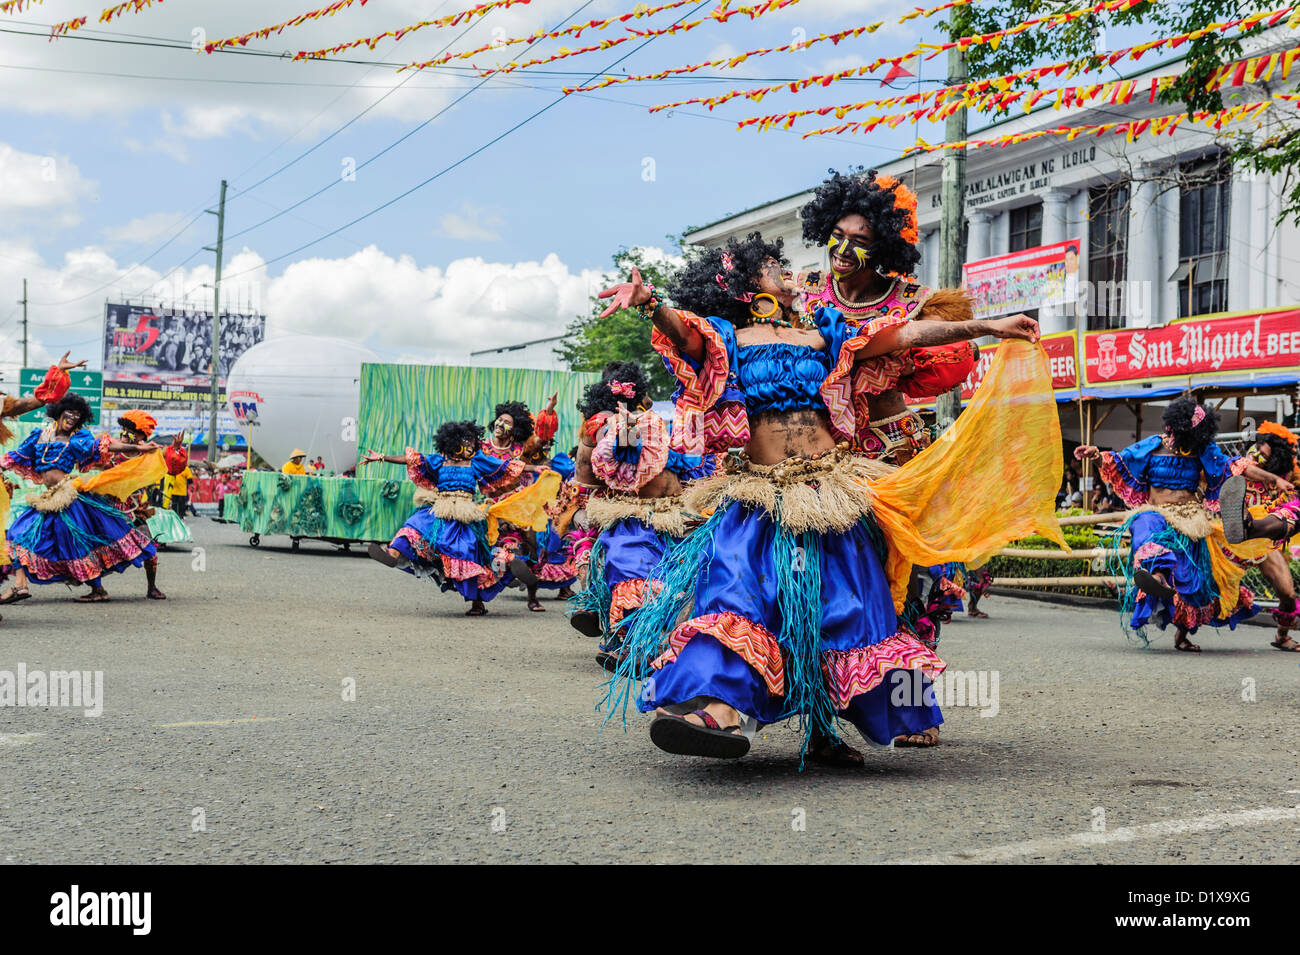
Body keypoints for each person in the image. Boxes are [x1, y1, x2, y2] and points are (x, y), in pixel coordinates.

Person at [596, 230, 1060, 764]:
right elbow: (685, 334)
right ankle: (720, 711)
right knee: (738, 595)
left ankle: (823, 731)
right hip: (760, 496)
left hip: (828, 491)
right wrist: (652, 303)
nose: (787, 272)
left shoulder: (827, 334)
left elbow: (904, 334)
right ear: (746, 282)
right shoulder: (728, 337)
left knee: (843, 612)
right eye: (773, 265)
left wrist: (990, 325)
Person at [1076, 398, 1289, 651]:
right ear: (1174, 429)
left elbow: (1235, 467)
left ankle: (1182, 633)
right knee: (1146, 527)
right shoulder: (1153, 446)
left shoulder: (1201, 449)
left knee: (1192, 583)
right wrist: (1096, 455)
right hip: (1156, 512)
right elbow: (1121, 461)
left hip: (1191, 520)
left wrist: (1274, 480)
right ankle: (1155, 576)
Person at [564, 364, 700, 672]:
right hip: (629, 518)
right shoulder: (607, 426)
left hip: (670, 518)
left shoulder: (677, 421)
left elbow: (695, 467)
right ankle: (623, 642)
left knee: (662, 580)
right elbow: (591, 478)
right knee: (630, 575)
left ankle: (634, 641)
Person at [0, 394, 166, 604]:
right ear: (59, 412)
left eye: (78, 415)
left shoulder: (78, 439)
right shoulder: (39, 435)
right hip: (48, 498)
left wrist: (139, 448)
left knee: (75, 544)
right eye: (70, 412)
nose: (73, 417)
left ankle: (98, 589)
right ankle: (20, 586)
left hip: (69, 497)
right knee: (16, 533)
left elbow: (105, 445)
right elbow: (15, 456)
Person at [361, 421, 525, 616]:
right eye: (467, 441)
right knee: (413, 526)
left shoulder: (477, 461)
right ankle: (392, 555)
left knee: (467, 554)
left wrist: (534, 468)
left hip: (465, 516)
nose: (471, 446)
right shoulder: (440, 461)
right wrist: (381, 457)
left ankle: (478, 602)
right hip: (440, 511)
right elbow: (411, 459)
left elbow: (505, 467)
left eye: (473, 442)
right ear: (454, 441)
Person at [1217, 421, 1300, 650]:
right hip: (1229, 539)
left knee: (1287, 593)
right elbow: (1244, 469)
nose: (1257, 450)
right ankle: (1182, 634)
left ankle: (1282, 637)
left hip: (1262, 541)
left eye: (1264, 447)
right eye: (1257, 445)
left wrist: (1289, 486)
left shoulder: (1287, 473)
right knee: (1206, 586)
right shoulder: (1241, 463)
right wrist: (1273, 479)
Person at [101, 413, 190, 599]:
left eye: (131, 431)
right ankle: (96, 589)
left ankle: (152, 587)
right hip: (110, 508)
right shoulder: (112, 451)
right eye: (125, 430)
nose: (126, 434)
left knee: (150, 547)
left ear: (141, 436)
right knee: (97, 548)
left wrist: (175, 447)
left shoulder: (147, 454)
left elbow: (167, 456)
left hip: (135, 509)